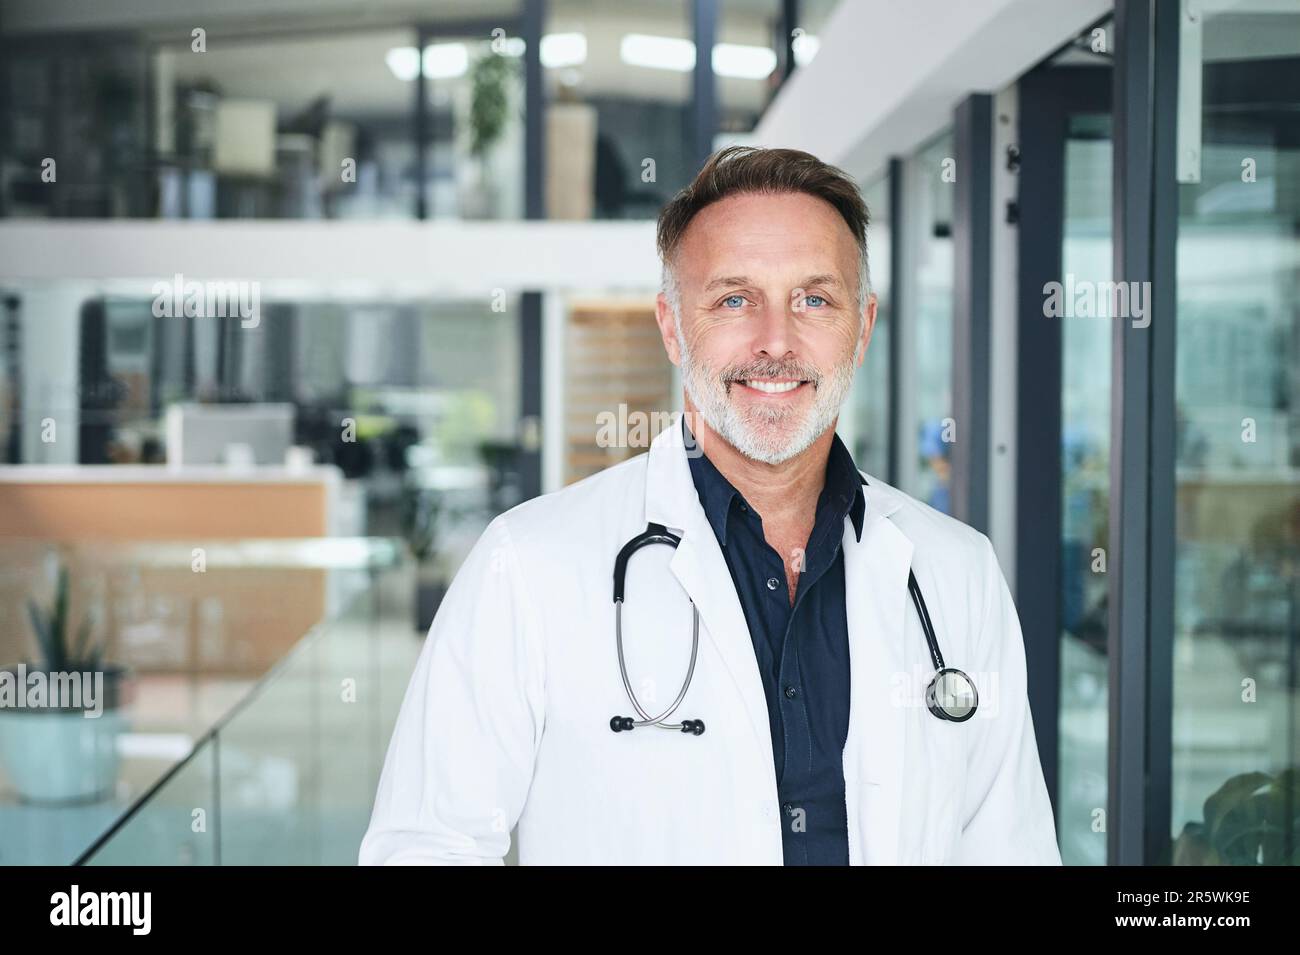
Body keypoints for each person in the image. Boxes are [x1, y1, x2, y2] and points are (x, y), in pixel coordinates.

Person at [359, 146, 1060, 865]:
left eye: (814, 299)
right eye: (733, 299)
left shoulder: (957, 571)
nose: (776, 342)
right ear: (671, 326)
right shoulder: (529, 565)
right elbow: (425, 844)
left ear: (863, 324)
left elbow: (1014, 848)